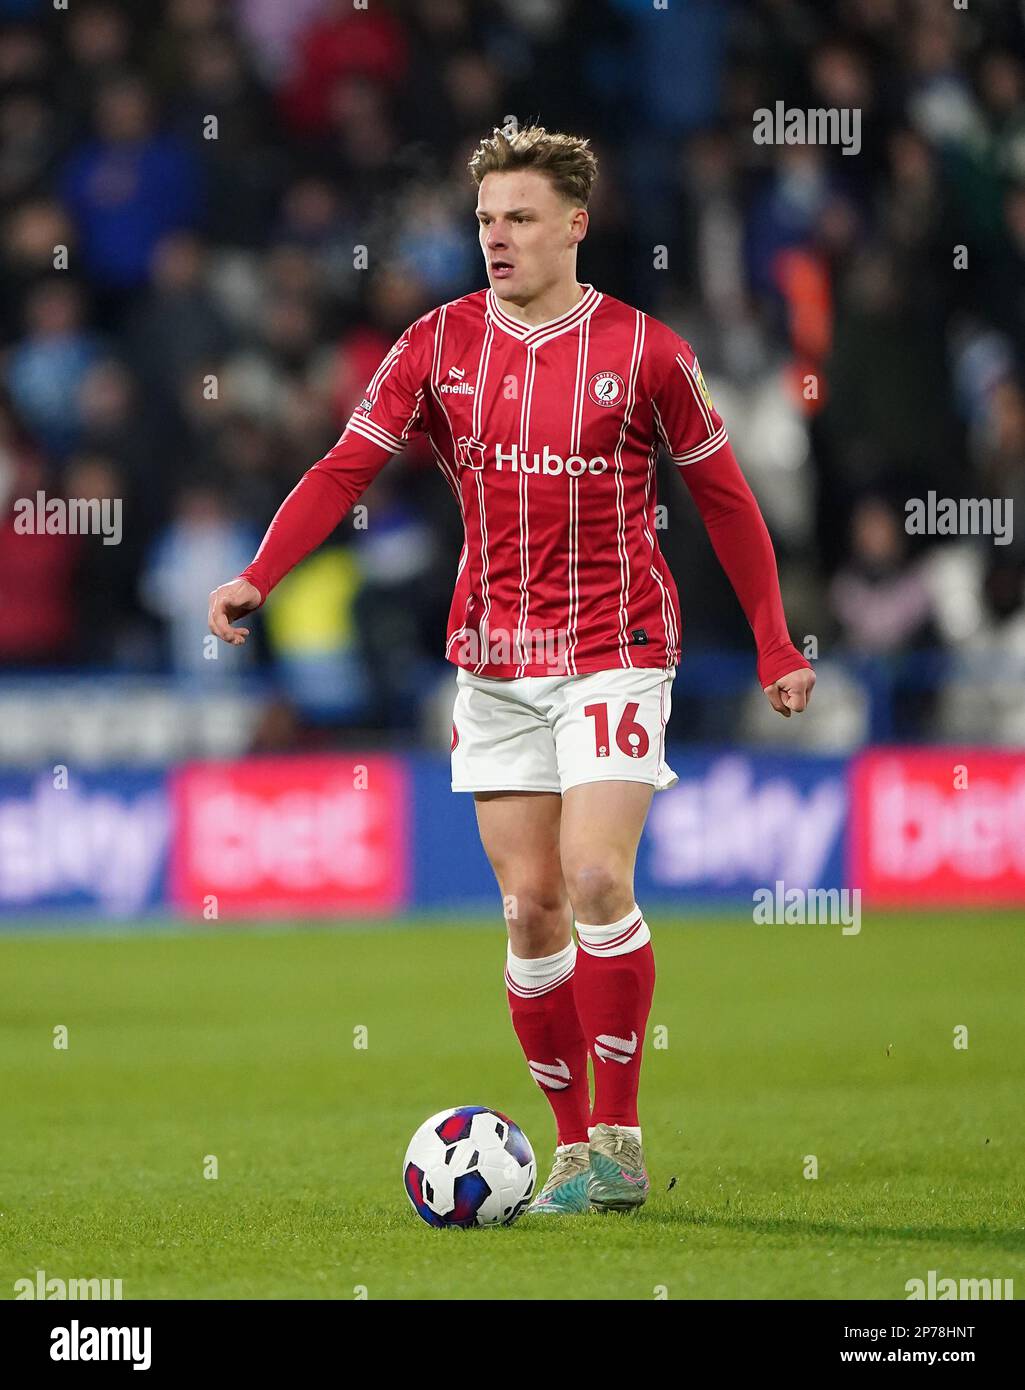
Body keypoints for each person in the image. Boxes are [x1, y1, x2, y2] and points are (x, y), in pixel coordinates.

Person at [208, 126, 815, 1216]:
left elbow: (723, 499)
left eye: (520, 218)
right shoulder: (434, 344)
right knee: (531, 909)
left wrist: (773, 641)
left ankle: (621, 1135)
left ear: (574, 224)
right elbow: (347, 463)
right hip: (490, 657)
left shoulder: (647, 353)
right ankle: (574, 1147)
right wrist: (260, 569)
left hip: (614, 648)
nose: (497, 237)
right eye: (485, 219)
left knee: (593, 878)